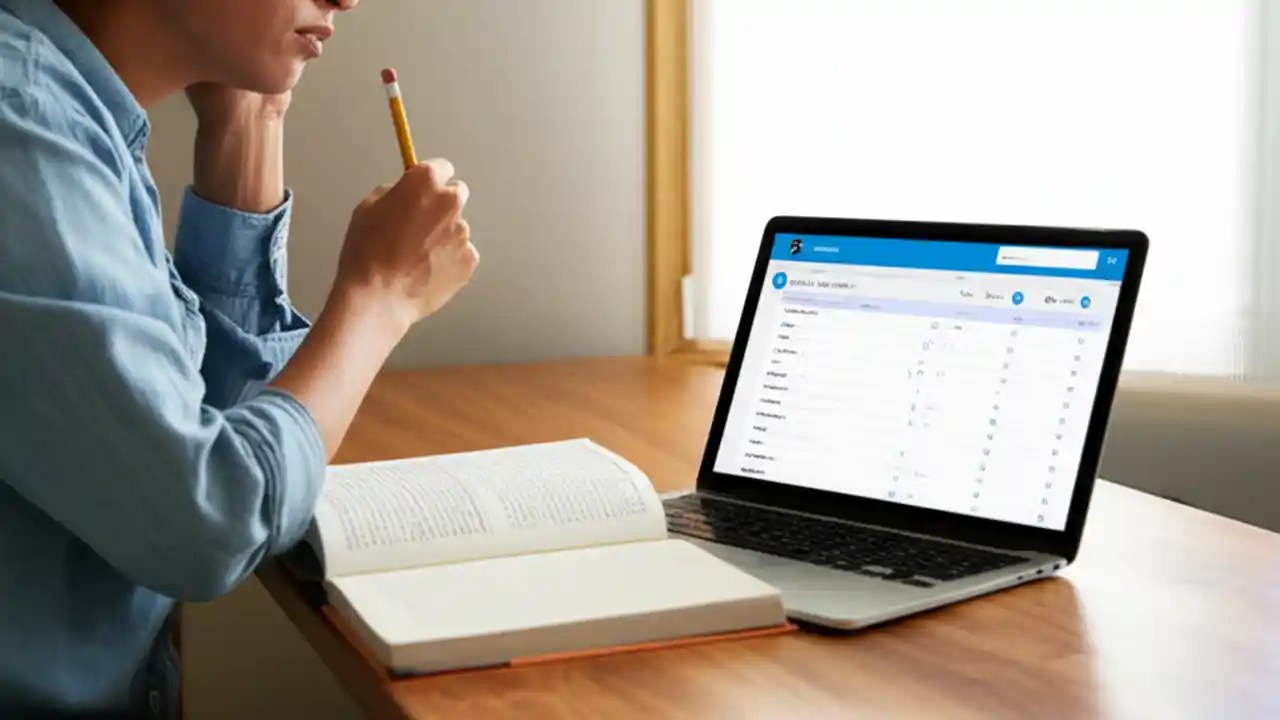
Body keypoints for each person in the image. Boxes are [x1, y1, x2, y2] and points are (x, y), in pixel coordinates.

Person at [0, 0, 480, 715]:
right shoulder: (22, 126)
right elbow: (209, 519)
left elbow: (205, 429)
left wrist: (250, 122)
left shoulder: (68, 112)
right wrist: (379, 298)